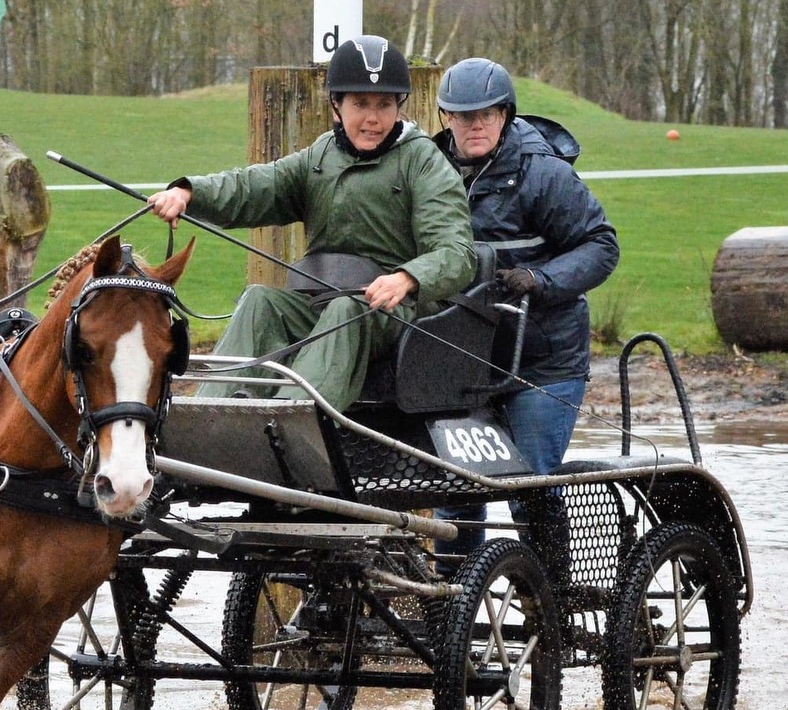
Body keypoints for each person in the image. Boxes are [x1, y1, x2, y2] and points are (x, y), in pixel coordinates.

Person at [145, 35, 476, 411]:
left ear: (398, 107)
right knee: (260, 300)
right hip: (320, 301)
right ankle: (210, 413)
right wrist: (189, 193)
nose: (373, 118)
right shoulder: (321, 156)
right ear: (336, 106)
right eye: (360, 104)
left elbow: (457, 253)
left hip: (393, 312)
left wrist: (407, 278)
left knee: (346, 309)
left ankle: (290, 416)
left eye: (384, 105)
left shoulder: (423, 161)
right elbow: (255, 187)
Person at [431, 57, 620, 562]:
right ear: (446, 117)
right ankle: (452, 599)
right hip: (462, 360)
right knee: (454, 492)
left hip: (543, 361)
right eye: (462, 116)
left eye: (486, 115)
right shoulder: (427, 171)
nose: (474, 126)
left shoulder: (544, 174)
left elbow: (601, 246)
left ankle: (551, 596)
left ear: (505, 115)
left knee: (531, 488)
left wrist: (540, 280)